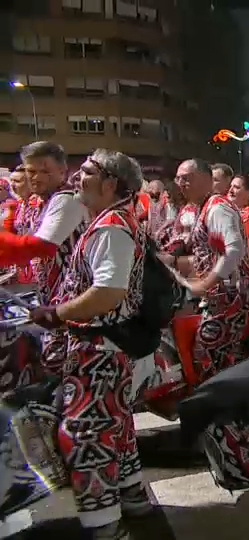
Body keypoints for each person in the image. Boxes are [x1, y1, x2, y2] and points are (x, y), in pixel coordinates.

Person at [28, 149, 151, 540]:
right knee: (115, 426)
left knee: (85, 437)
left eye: (86, 172)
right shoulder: (113, 219)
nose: (77, 178)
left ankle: (107, 528)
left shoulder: (112, 226)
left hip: (98, 351)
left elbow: (110, 291)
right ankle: (133, 498)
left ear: (110, 183)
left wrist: (59, 313)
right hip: (105, 349)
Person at [159, 159, 249, 382]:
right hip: (219, 299)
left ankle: (224, 411)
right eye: (179, 179)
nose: (181, 184)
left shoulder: (217, 208)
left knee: (207, 356)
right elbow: (207, 256)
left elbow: (233, 250)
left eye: (187, 178)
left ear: (206, 179)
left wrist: (206, 283)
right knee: (217, 359)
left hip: (230, 298)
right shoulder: (203, 209)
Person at [0, 142, 88, 375]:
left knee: (66, 369)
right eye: (31, 171)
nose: (36, 178)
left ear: (63, 171)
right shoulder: (36, 203)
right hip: (49, 296)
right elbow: (16, 238)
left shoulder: (67, 199)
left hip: (74, 298)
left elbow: (41, 246)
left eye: (45, 171)